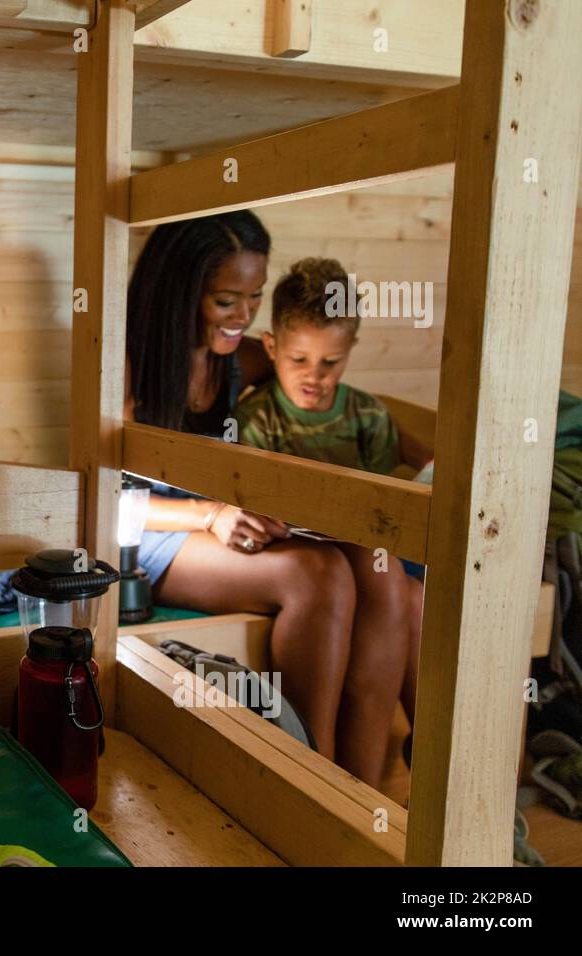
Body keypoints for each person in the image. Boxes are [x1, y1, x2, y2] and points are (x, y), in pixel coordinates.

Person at [125, 212, 411, 789]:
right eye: (227, 299)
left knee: (380, 569)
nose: (244, 318)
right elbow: (100, 503)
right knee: (318, 576)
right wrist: (209, 514)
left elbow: (321, 380)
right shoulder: (126, 368)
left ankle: (365, 792)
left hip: (230, 524)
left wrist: (433, 461)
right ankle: (314, 784)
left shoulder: (243, 358)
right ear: (181, 290)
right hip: (149, 534)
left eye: (254, 297)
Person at [236, 256, 430, 770]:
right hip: (304, 547)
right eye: (299, 359)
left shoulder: (366, 415)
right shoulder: (259, 419)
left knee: (410, 595)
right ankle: (354, 784)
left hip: (370, 548)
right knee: (398, 592)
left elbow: (387, 499)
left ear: (349, 353)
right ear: (272, 346)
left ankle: (375, 783)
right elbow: (253, 499)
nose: (314, 377)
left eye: (330, 363)